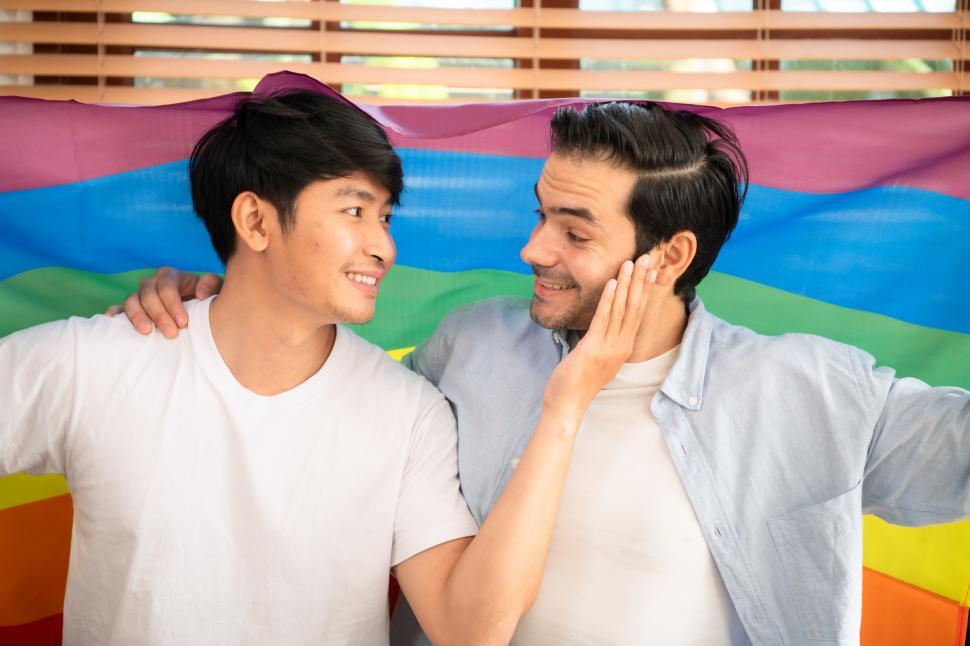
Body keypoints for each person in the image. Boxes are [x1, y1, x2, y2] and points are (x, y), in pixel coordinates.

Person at [120, 100, 970, 646]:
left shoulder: (814, 390)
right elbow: (330, 407)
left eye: (574, 230)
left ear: (670, 256)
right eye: (541, 215)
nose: (533, 249)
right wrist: (232, 300)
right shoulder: (472, 347)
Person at [0, 91, 659, 646]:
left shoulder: (409, 414)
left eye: (384, 217)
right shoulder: (95, 362)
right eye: (354, 211)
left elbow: (469, 630)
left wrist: (565, 407)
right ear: (255, 221)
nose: (384, 246)